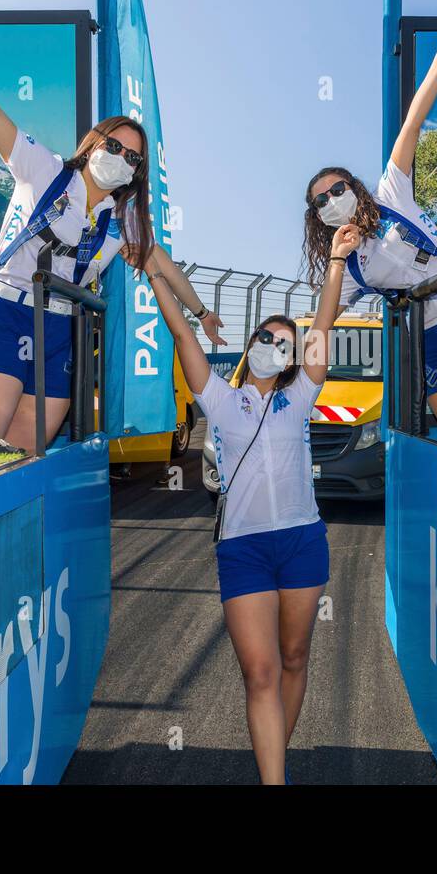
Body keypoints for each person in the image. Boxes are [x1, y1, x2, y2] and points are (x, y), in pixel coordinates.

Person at [0, 0, 224, 453]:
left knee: (24, 464)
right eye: (114, 146)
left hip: (61, 334)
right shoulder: (42, 169)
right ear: (92, 143)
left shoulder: (121, 223)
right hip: (5, 313)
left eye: (132, 158)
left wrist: (205, 315)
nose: (122, 158)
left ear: (136, 175)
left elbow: (166, 269)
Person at [151, 222, 360, 784]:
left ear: (294, 357)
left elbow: (323, 323)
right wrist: (158, 279)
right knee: (261, 673)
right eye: (265, 337)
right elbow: (183, 336)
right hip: (242, 550)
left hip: (302, 544)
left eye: (284, 342)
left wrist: (336, 260)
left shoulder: (301, 397)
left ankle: (274, 756)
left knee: (294, 660)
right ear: (249, 346)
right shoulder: (221, 399)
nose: (274, 345)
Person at [302, 22, 437, 441]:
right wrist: (335, 258)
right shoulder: (351, 268)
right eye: (321, 200)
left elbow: (413, 124)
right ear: (317, 216)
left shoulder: (392, 194)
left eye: (337, 188)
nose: (331, 198)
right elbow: (322, 324)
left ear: (354, 186)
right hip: (430, 340)